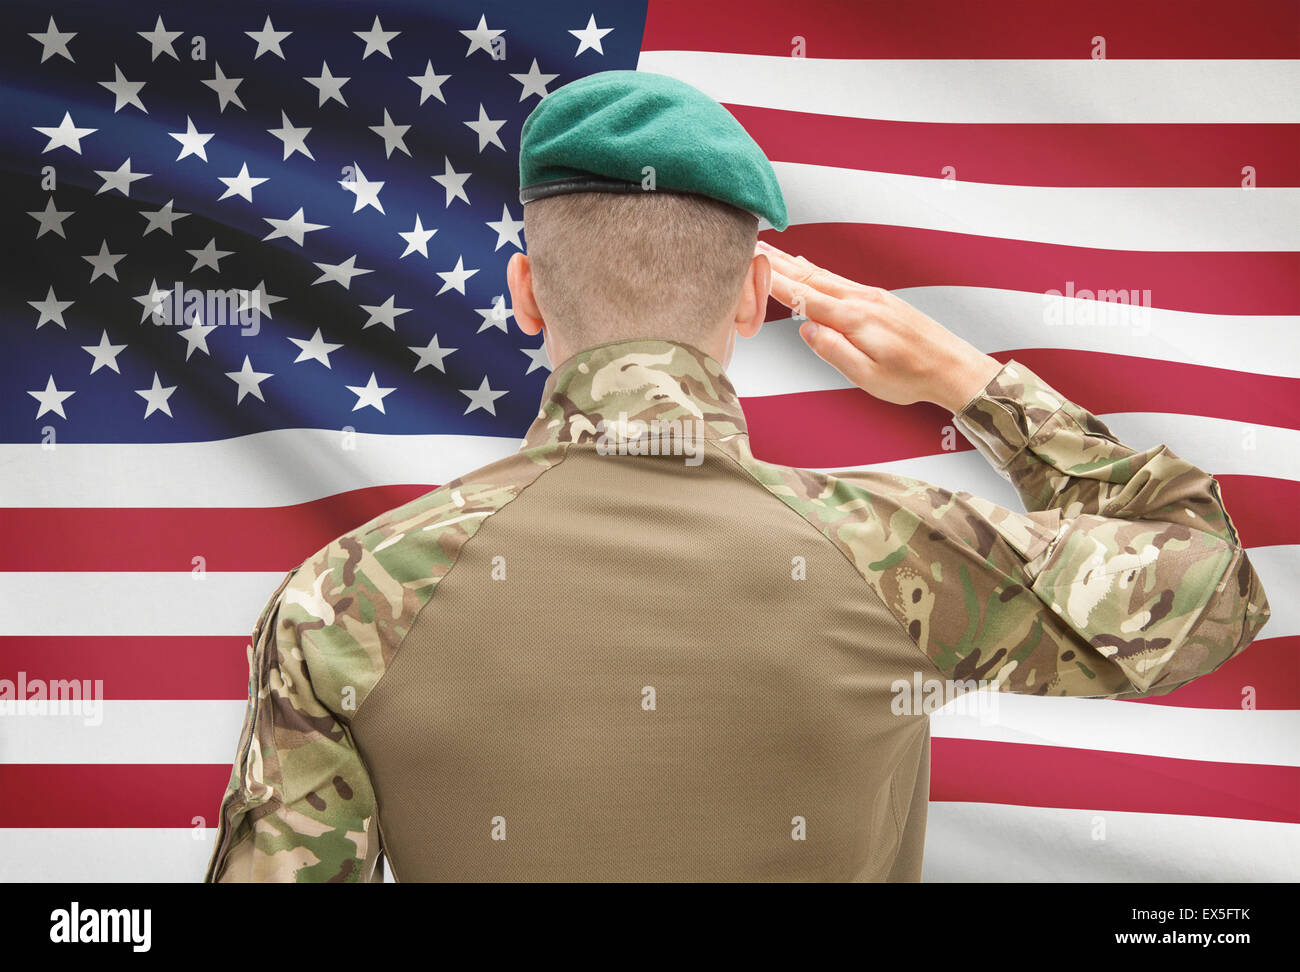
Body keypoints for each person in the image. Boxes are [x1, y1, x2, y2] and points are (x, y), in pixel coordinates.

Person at [204, 71, 1270, 882]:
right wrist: (968, 382)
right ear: (757, 296)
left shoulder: (343, 596)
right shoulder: (898, 553)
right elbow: (1212, 586)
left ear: (526, 293)